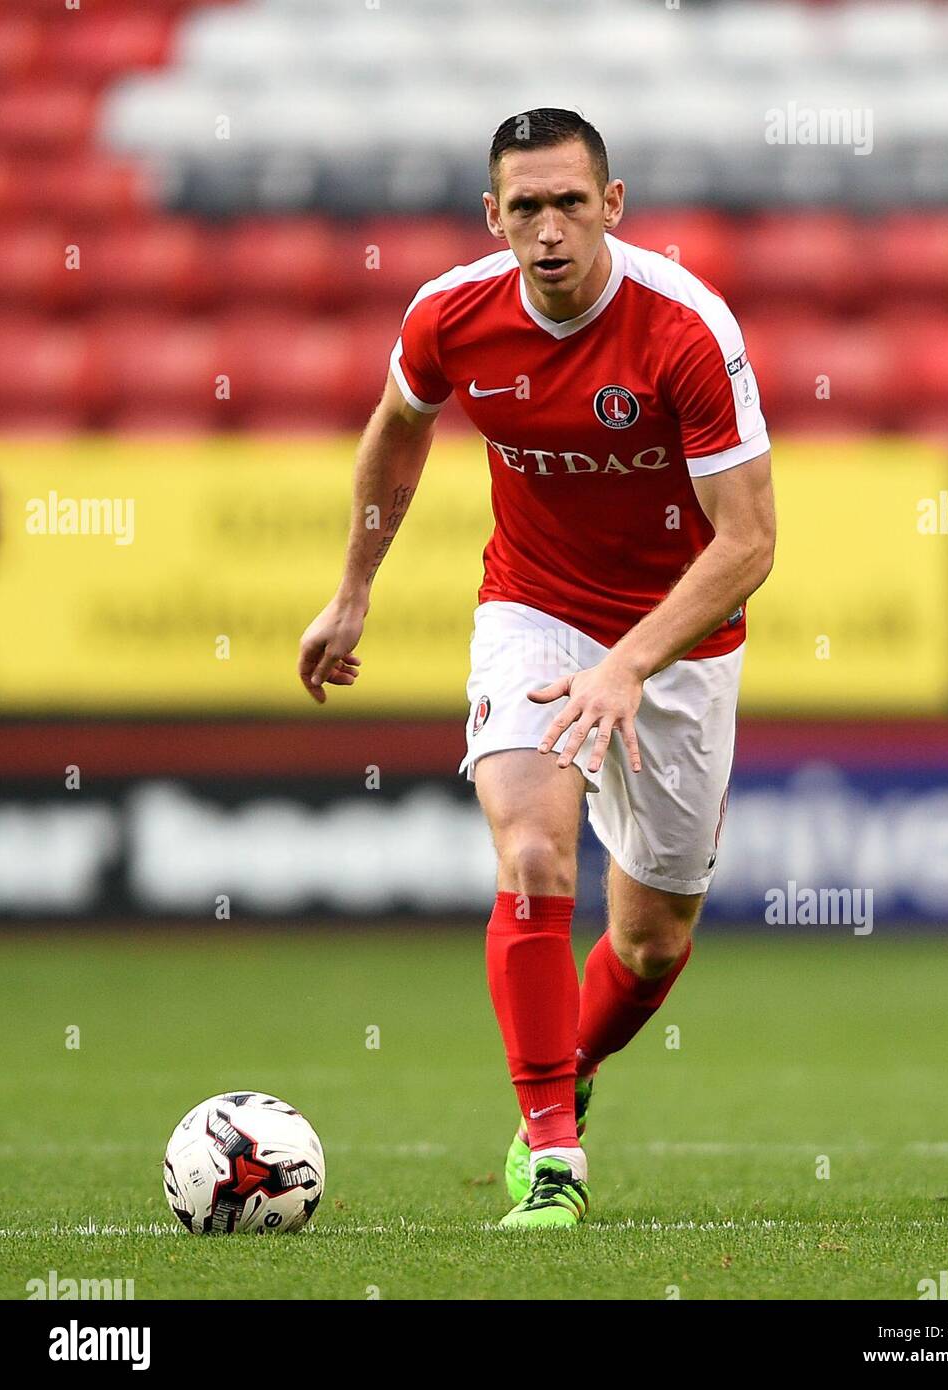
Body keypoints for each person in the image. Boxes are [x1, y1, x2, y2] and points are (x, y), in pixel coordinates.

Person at [298, 108, 776, 1228]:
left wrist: (629, 664)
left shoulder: (684, 330)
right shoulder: (450, 315)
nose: (549, 229)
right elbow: (396, 425)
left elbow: (747, 543)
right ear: (491, 215)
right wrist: (355, 586)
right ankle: (551, 1155)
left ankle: (569, 1066)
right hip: (532, 605)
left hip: (677, 637)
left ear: (612, 205)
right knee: (528, 851)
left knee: (651, 942)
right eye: (526, 207)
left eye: (571, 202)